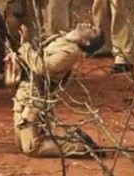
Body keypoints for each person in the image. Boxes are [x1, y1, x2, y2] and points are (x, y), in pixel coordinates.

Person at [12, 23, 106, 158]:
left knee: (32, 148)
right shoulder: (60, 38)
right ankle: (68, 134)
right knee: (21, 145)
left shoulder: (71, 52)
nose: (90, 25)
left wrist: (25, 46)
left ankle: (80, 147)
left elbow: (42, 68)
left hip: (35, 96)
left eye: (93, 30)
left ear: (87, 41)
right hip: (23, 92)